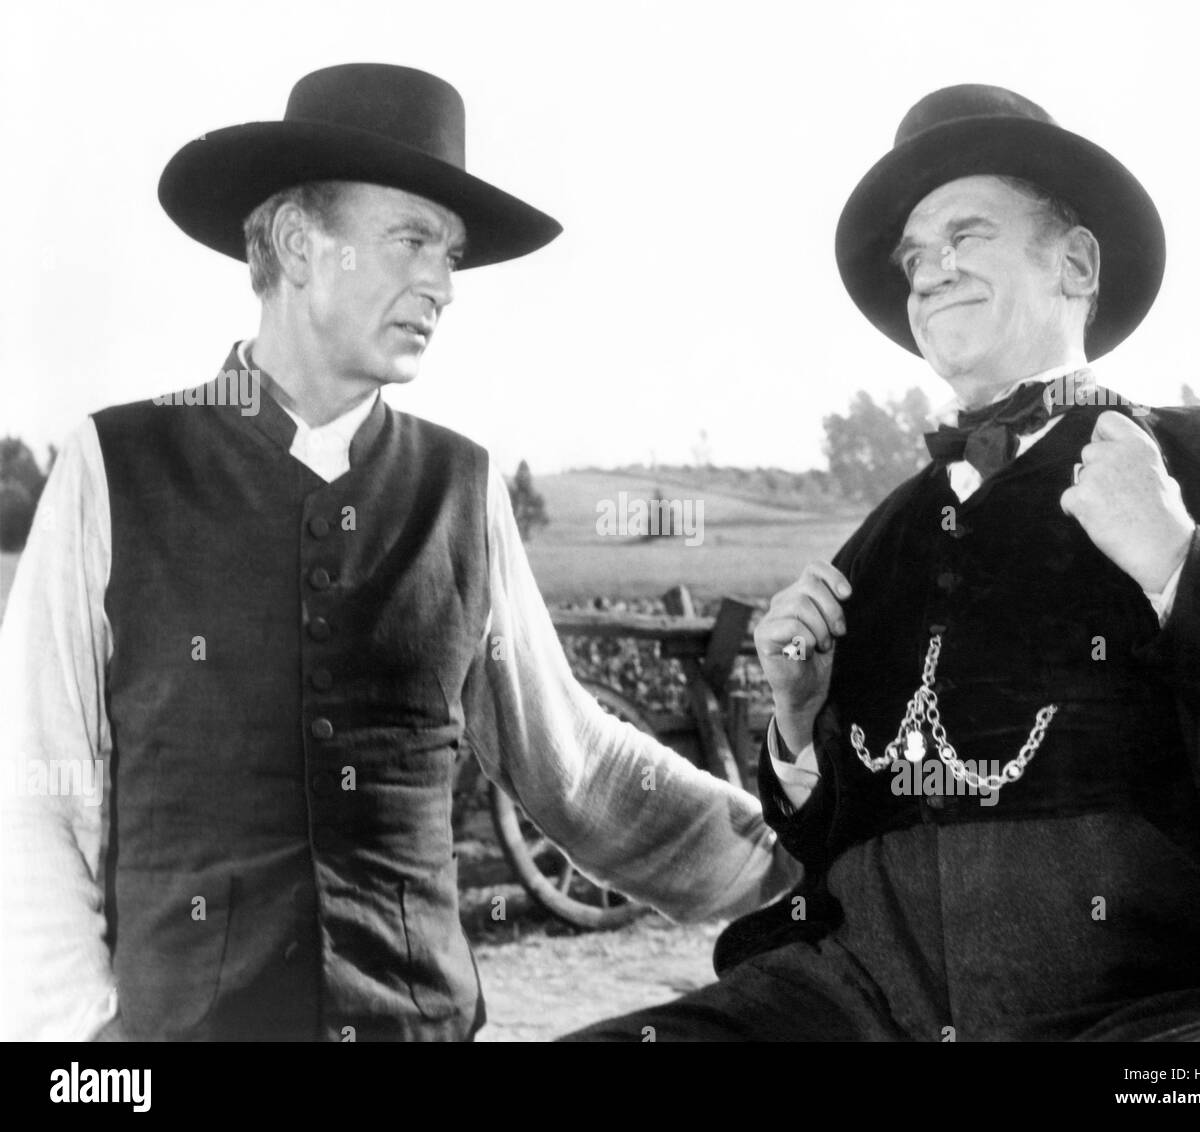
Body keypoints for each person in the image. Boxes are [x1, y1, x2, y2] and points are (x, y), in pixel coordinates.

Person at [0, 62, 798, 1042]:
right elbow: (36, 789)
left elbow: (574, 763)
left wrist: (797, 858)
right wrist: (78, 1045)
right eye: (412, 239)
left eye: (452, 253)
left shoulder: (460, 488)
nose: (443, 285)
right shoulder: (114, 468)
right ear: (297, 243)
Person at [564, 84, 1200, 1041]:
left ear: (1075, 264)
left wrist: (1181, 562)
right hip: (856, 1000)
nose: (932, 271)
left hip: (1155, 1014)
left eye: (968, 235)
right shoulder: (880, 537)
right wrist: (796, 726)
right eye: (917, 257)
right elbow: (832, 834)